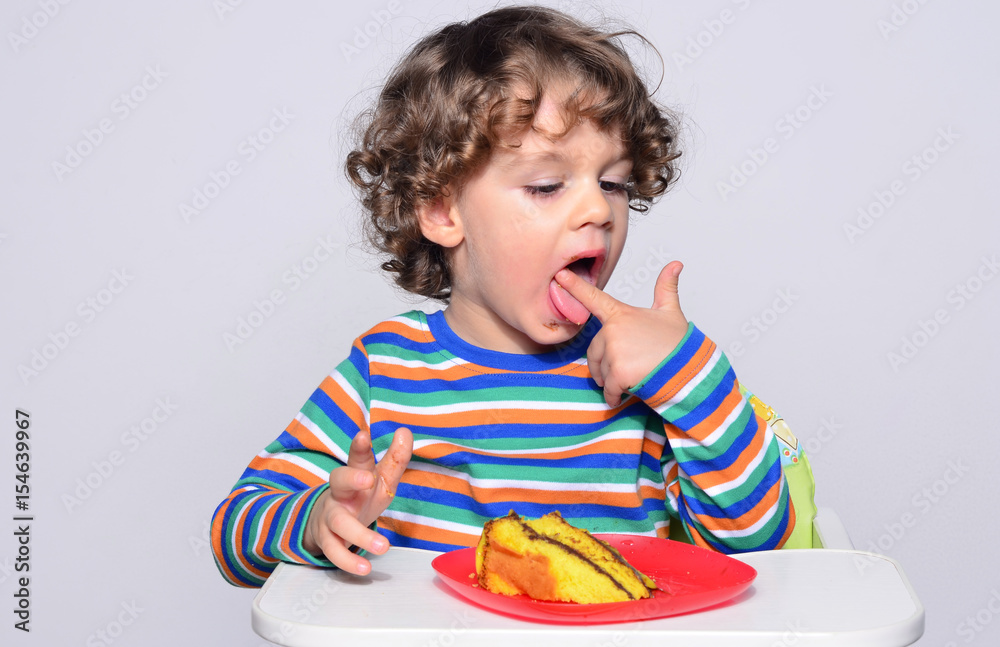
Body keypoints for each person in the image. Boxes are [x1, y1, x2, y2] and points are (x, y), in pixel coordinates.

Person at [211, 5, 795, 588]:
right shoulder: (383, 369)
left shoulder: (648, 378)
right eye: (547, 185)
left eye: (613, 184)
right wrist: (316, 522)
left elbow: (757, 547)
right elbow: (234, 534)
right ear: (443, 211)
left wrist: (692, 375)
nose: (598, 210)